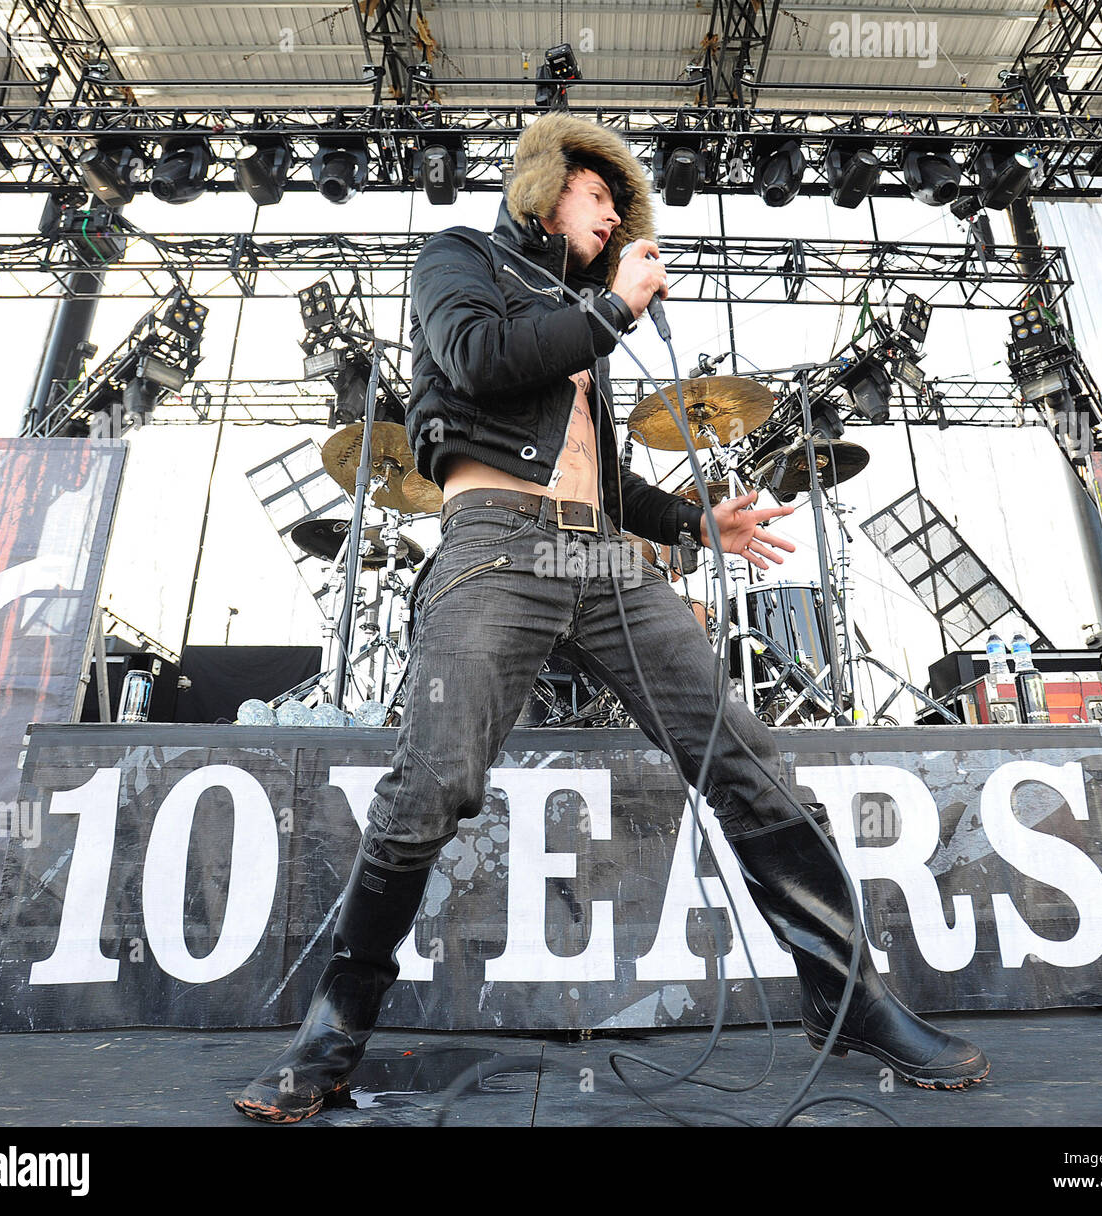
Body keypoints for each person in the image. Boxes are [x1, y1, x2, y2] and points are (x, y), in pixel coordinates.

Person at [234, 114, 989, 1123]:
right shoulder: (462, 259)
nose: (617, 222)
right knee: (431, 785)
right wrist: (614, 312)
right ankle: (330, 1031)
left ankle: (846, 998)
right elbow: (473, 356)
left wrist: (693, 522)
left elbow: (599, 471)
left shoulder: (588, 318)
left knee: (744, 757)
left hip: (599, 557)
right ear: (550, 188)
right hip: (493, 541)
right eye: (602, 201)